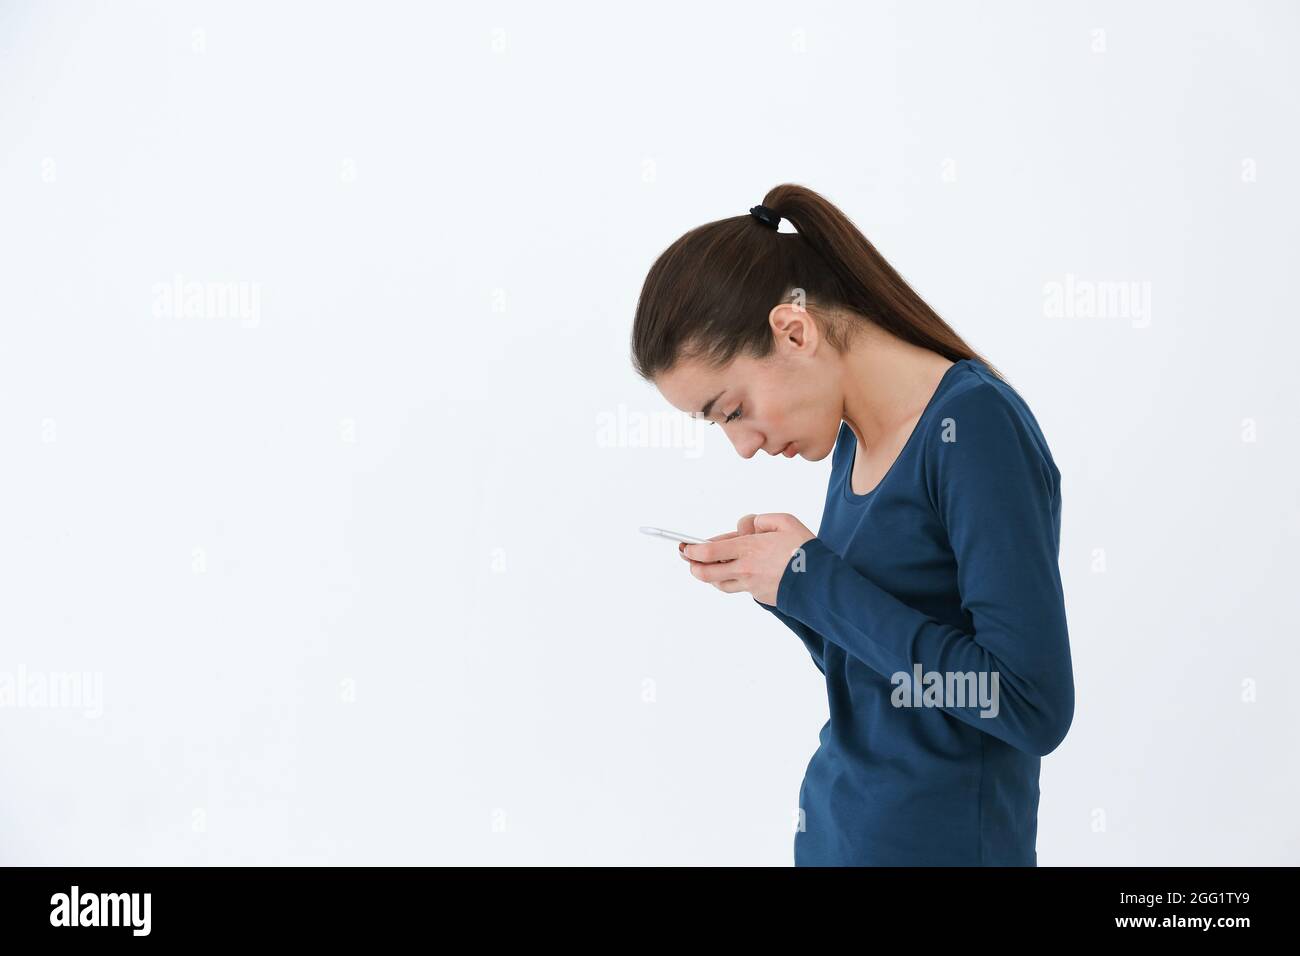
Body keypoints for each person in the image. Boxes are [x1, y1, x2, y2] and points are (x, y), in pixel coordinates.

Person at [629, 183, 1075, 866]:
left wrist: (817, 584)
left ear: (794, 331)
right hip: (840, 833)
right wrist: (786, 588)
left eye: (732, 409)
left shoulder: (973, 427)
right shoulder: (852, 444)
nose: (742, 446)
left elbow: (1026, 703)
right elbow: (889, 681)